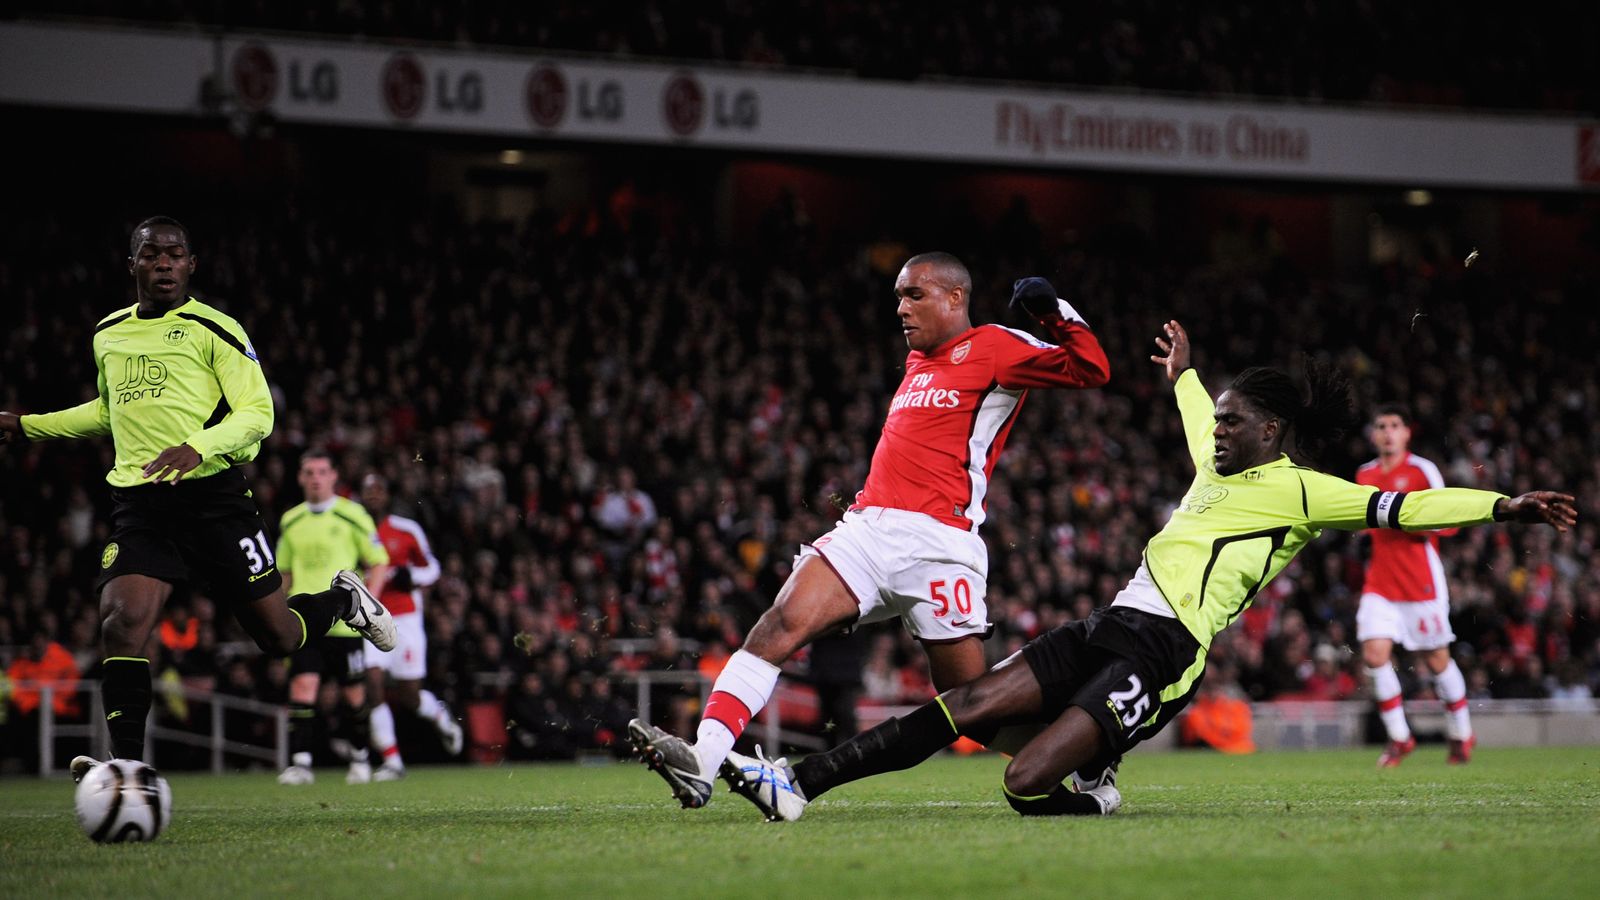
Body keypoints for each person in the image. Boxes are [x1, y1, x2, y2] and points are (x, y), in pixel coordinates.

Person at [717, 319, 1576, 821]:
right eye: (1219, 421)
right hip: (1108, 623)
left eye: (1234, 424)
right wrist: (1185, 373)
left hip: (1164, 656)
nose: (1217, 432)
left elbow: (1407, 509)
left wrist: (1503, 505)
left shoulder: (1307, 492)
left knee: (1023, 783)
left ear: (1269, 434)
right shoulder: (1216, 461)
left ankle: (1090, 793)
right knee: (971, 709)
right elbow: (1198, 408)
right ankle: (794, 783)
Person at [629, 256, 1112, 809]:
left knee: (970, 704)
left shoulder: (998, 346)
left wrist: (1054, 312)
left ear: (955, 298)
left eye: (915, 295)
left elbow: (1092, 369)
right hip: (869, 529)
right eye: (899, 297)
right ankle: (703, 761)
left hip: (941, 545)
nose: (902, 309)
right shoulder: (917, 361)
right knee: (778, 624)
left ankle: (1083, 754)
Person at [0, 217, 396, 782]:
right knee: (122, 618)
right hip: (141, 500)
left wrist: (197, 446)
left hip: (213, 497)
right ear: (131, 264)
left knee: (277, 637)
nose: (163, 263)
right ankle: (127, 765)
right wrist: (29, 425)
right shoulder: (108, 333)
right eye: (151, 254)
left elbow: (258, 413)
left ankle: (342, 602)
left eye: (175, 254)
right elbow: (108, 412)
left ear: (191, 265)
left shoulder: (218, 329)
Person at [1355, 404, 1474, 766]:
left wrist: (1404, 520)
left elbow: (1448, 521)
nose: (1388, 432)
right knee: (1374, 655)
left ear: (1407, 432)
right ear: (1374, 435)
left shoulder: (1423, 470)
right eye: (1381, 426)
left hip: (1421, 582)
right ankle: (1400, 738)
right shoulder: (1364, 475)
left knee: (1437, 661)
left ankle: (1461, 733)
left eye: (1394, 425)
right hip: (1380, 582)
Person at [275, 450, 390, 785]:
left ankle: (360, 758)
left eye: (322, 471)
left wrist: (369, 605)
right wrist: (280, 614)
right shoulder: (291, 520)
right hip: (305, 621)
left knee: (354, 694)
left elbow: (378, 561)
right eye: (309, 472)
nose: (315, 478)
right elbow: (284, 573)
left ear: (333, 476)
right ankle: (300, 763)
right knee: (303, 685)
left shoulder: (353, 514)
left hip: (345, 621)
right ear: (300, 477)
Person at [359, 473, 464, 780]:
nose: (374, 495)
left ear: (387, 495)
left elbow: (432, 566)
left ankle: (440, 715)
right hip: (370, 617)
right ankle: (392, 760)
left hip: (405, 618)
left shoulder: (406, 530)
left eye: (379, 489)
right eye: (368, 490)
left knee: (410, 695)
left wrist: (412, 578)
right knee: (372, 681)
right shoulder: (355, 530)